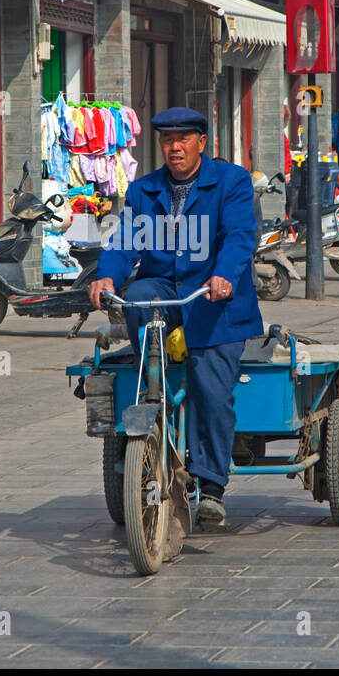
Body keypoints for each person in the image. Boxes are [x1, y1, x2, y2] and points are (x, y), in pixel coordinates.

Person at [90, 107, 263, 528]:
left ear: (202, 143)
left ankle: (211, 484)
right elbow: (126, 239)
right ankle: (154, 396)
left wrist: (225, 274)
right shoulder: (144, 189)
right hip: (164, 295)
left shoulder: (231, 182)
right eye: (167, 140)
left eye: (184, 138)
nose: (175, 147)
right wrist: (107, 277)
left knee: (211, 385)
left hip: (212, 297)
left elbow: (240, 236)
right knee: (142, 292)